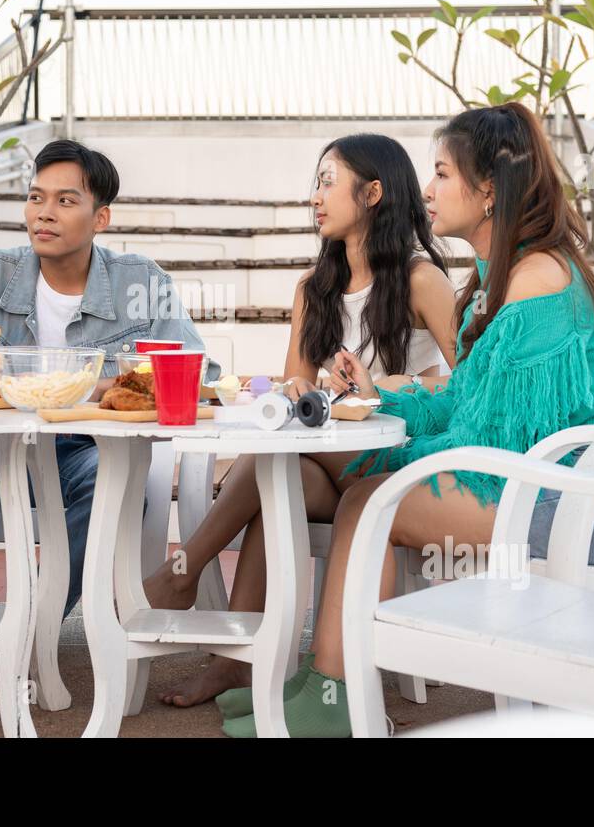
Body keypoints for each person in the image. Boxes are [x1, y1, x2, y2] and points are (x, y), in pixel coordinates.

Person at [221, 102, 594, 738]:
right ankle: (329, 685)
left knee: (371, 501)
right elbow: (469, 402)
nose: (427, 191)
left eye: (442, 175)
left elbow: (484, 440)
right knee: (360, 494)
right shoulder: (502, 274)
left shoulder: (536, 280)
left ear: (489, 191)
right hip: (562, 480)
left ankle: (333, 695)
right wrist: (381, 400)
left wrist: (380, 452)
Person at [143, 133, 459, 709]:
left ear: (373, 193)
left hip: (397, 461)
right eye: (315, 183)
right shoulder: (312, 290)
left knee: (276, 461)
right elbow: (298, 385)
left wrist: (390, 385)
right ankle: (236, 662)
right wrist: (305, 389)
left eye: (326, 182)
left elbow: (471, 383)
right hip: (329, 461)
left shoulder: (420, 279)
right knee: (276, 475)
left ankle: (184, 570)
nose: (314, 197)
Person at [0, 138, 221, 671]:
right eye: (35, 197)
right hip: (1, 445)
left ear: (102, 218)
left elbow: (196, 371)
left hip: (88, 445)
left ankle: (35, 617)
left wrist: (98, 383)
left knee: (113, 481)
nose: (44, 213)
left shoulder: (141, 281)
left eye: (66, 201)